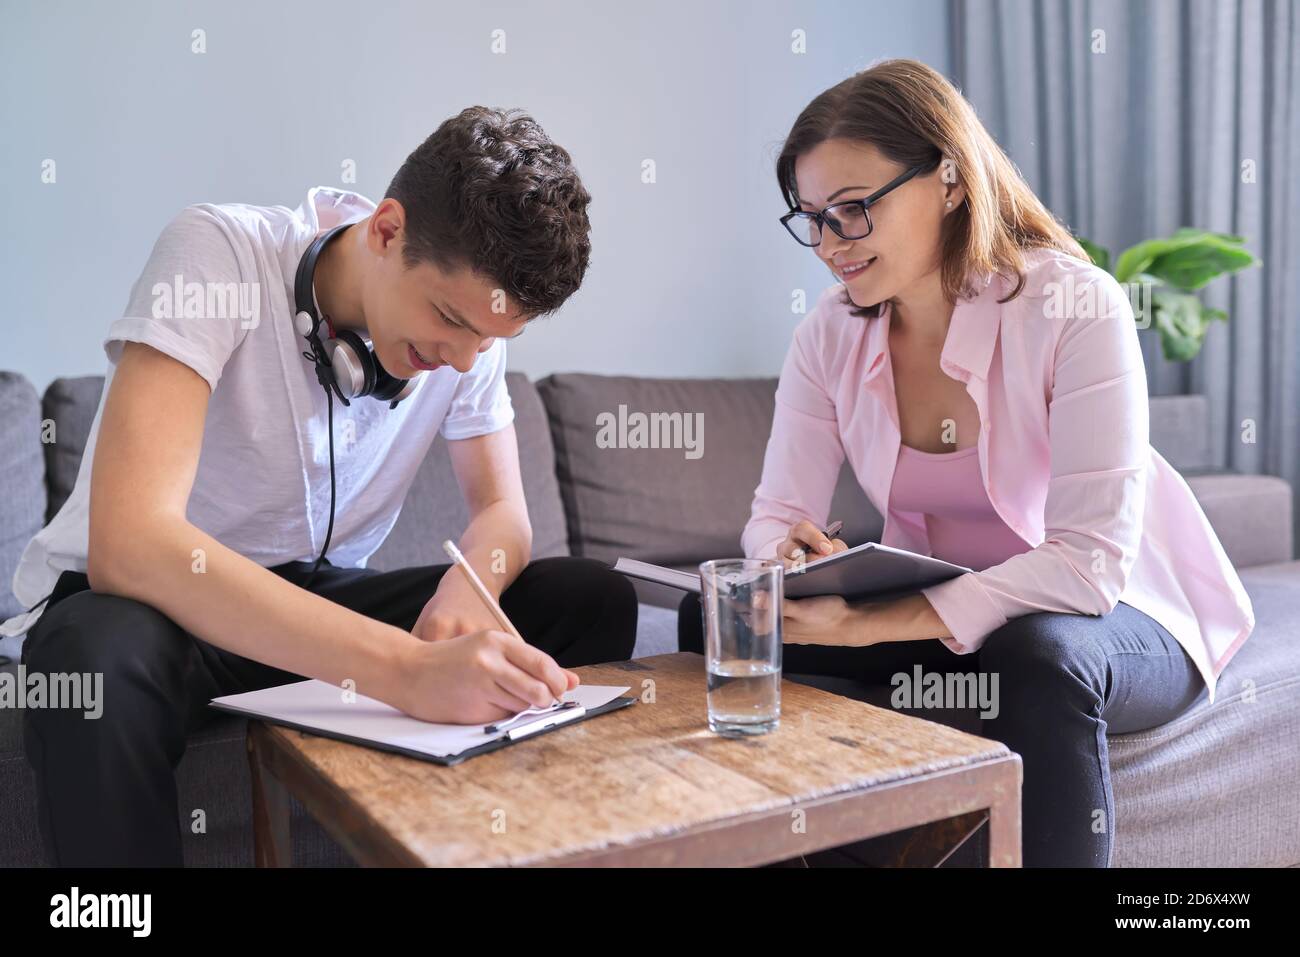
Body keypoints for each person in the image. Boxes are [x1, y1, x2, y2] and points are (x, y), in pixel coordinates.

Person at [4, 107, 638, 866]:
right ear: (385, 229)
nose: (465, 360)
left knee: (587, 598)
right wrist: (405, 671)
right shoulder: (218, 251)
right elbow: (131, 544)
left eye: (491, 339)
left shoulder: (467, 341)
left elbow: (503, 513)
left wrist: (475, 583)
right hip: (151, 603)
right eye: (447, 319)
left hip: (307, 603)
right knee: (93, 660)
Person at [677, 59, 1255, 867]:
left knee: (1038, 655)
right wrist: (786, 564)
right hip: (949, 607)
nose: (828, 243)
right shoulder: (829, 336)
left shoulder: (1075, 306)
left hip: (1119, 612)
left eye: (854, 210)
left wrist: (869, 624)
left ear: (949, 180)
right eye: (811, 217)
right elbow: (776, 512)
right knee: (721, 619)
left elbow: (1087, 569)